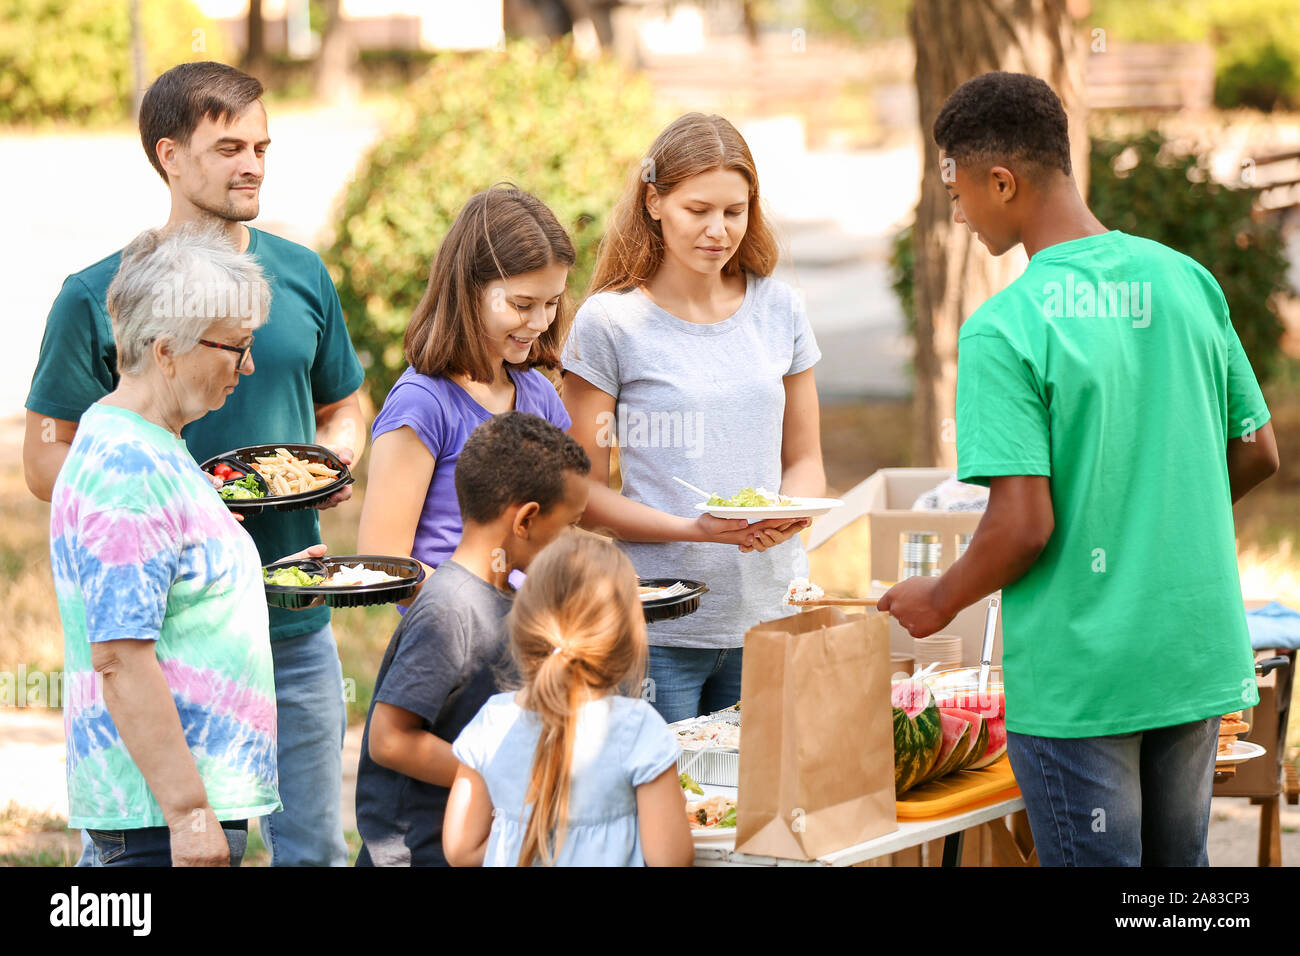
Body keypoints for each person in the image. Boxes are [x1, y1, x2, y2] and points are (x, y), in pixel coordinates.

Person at [877, 71, 1280, 866]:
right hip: (1191, 650)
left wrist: (939, 597)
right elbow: (1259, 450)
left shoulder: (1006, 328)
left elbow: (1024, 527)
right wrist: (1158, 518)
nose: (956, 214)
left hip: (1085, 675)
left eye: (957, 191)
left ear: (1003, 181)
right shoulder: (1185, 280)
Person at [23, 61, 366, 866]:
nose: (252, 164)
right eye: (228, 147)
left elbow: (343, 405)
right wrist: (182, 521)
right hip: (170, 635)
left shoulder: (300, 273)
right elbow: (49, 466)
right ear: (168, 154)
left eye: (263, 146)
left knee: (309, 847)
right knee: (138, 851)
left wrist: (327, 466)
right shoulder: (99, 298)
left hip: (280, 607)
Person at [53, 224, 324, 866]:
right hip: (159, 819)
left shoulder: (155, 444)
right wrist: (189, 813)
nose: (249, 366)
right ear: (167, 348)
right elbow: (120, 656)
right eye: (236, 347)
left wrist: (260, 581)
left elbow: (167, 595)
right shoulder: (129, 470)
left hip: (178, 805)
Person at [561, 113, 826, 723]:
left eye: (735, 212)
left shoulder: (780, 309)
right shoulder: (610, 324)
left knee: (757, 809)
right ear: (654, 202)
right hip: (658, 626)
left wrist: (788, 516)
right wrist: (696, 530)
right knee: (667, 812)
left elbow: (806, 461)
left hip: (770, 618)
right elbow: (579, 494)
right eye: (697, 210)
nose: (718, 230)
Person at [354, 412, 591, 866]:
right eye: (569, 525)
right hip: (420, 854)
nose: (571, 539)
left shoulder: (508, 596)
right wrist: (508, 777)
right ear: (525, 520)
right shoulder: (450, 609)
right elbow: (390, 740)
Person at [356, 187, 575, 598]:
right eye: (523, 304)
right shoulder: (422, 404)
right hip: (452, 645)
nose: (541, 322)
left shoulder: (541, 396)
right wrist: (492, 609)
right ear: (470, 291)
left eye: (552, 303)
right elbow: (380, 560)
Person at [443, 533, 695, 867]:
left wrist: (522, 831)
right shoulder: (637, 727)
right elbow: (671, 859)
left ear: (524, 626)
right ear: (627, 639)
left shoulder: (492, 720)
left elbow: (461, 850)